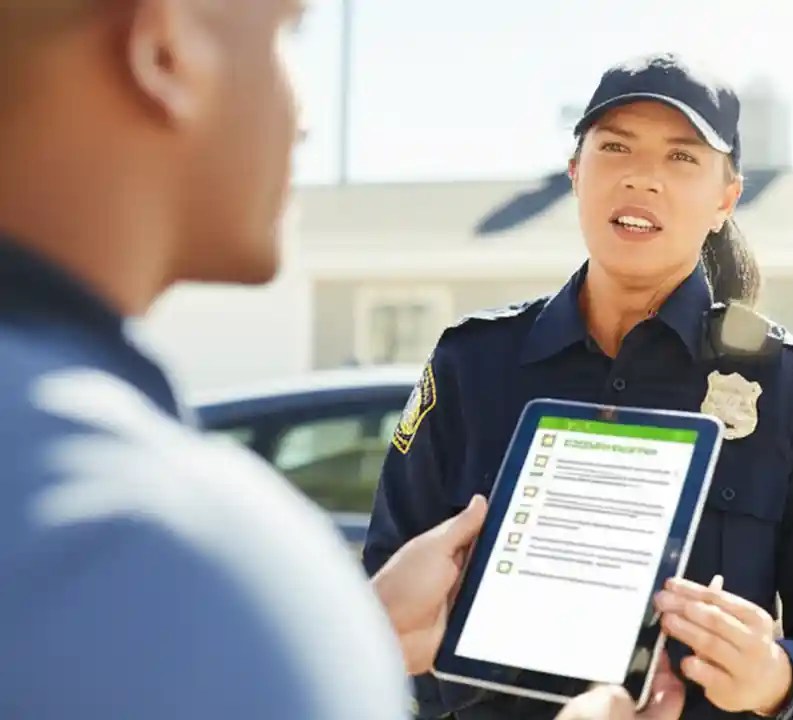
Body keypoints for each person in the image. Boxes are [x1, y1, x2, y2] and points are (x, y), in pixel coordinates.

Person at [0, 1, 666, 718]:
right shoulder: (180, 563)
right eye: (286, 35)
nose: (306, 116)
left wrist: (368, 637)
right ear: (166, 53)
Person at [363, 52, 793, 720]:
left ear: (725, 199)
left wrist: (778, 678)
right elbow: (382, 612)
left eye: (682, 158)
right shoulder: (471, 369)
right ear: (576, 173)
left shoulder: (787, 389)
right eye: (616, 147)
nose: (642, 178)